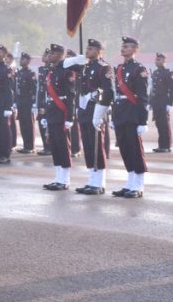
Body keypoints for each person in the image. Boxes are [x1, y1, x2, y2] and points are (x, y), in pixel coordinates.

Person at [111, 36, 150, 198]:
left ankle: (138, 186)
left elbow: (143, 97)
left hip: (133, 114)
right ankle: (130, 182)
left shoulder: (138, 69)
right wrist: (114, 117)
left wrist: (143, 120)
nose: (123, 48)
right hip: (121, 113)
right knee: (125, 150)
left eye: (127, 46)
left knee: (135, 150)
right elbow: (115, 95)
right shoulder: (120, 68)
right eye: (122, 46)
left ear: (135, 49)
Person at [42, 44, 83, 190]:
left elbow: (71, 95)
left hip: (61, 111)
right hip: (52, 111)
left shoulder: (67, 71)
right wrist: (46, 115)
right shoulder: (51, 71)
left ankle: (65, 180)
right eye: (50, 53)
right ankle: (58, 177)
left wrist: (69, 117)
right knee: (55, 146)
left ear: (61, 55)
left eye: (53, 53)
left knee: (63, 146)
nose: (50, 55)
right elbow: (48, 95)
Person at [75, 39, 114, 195]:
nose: (87, 51)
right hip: (85, 110)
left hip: (95, 109)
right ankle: (91, 181)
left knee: (97, 146)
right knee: (89, 146)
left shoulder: (103, 68)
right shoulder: (85, 67)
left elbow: (108, 91)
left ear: (99, 51)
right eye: (87, 48)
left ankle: (99, 183)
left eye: (91, 48)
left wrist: (100, 113)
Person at [150, 52, 173, 153]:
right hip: (156, 102)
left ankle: (166, 146)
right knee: (158, 124)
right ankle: (161, 145)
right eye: (156, 60)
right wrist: (150, 101)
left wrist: (170, 103)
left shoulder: (168, 73)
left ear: (164, 61)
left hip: (164, 102)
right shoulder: (155, 73)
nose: (157, 61)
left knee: (164, 124)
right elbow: (153, 89)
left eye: (159, 60)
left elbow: (172, 90)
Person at [15, 52, 37, 153]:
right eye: (21, 59)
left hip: (28, 102)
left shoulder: (30, 73)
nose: (21, 61)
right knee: (23, 124)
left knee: (29, 124)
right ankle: (25, 145)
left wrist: (33, 103)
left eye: (23, 59)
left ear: (28, 61)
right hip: (21, 102)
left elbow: (34, 88)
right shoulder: (19, 73)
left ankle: (30, 146)